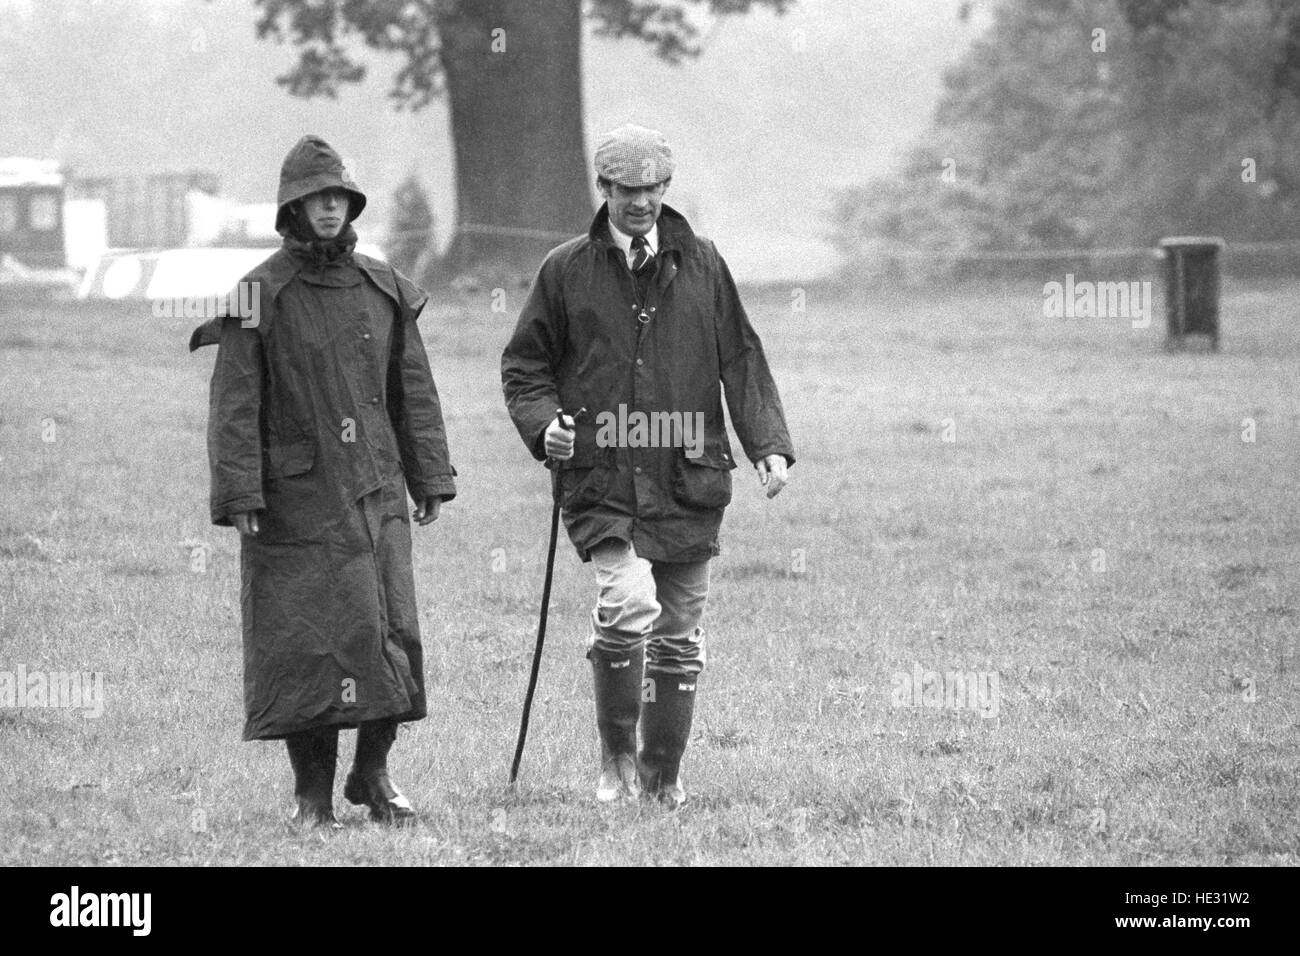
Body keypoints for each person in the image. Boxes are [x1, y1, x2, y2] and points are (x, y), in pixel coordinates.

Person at [501, 124, 794, 808]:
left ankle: (662, 778)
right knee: (628, 602)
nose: (641, 203)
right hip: (603, 477)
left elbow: (740, 357)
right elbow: (525, 366)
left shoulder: (704, 263)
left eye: (653, 190)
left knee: (679, 634)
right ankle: (616, 765)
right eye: (627, 191)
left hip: (688, 477)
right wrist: (547, 428)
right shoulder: (565, 269)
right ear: (604, 190)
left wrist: (768, 444)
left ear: (667, 188)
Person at [189, 135, 456, 827]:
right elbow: (236, 400)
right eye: (316, 199)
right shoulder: (259, 293)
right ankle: (312, 794)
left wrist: (430, 474)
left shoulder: (381, 285)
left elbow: (413, 392)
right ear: (293, 208)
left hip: (377, 489)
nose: (329, 209)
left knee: (388, 633)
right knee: (307, 644)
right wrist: (240, 491)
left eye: (338, 196)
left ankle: (373, 774)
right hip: (295, 502)